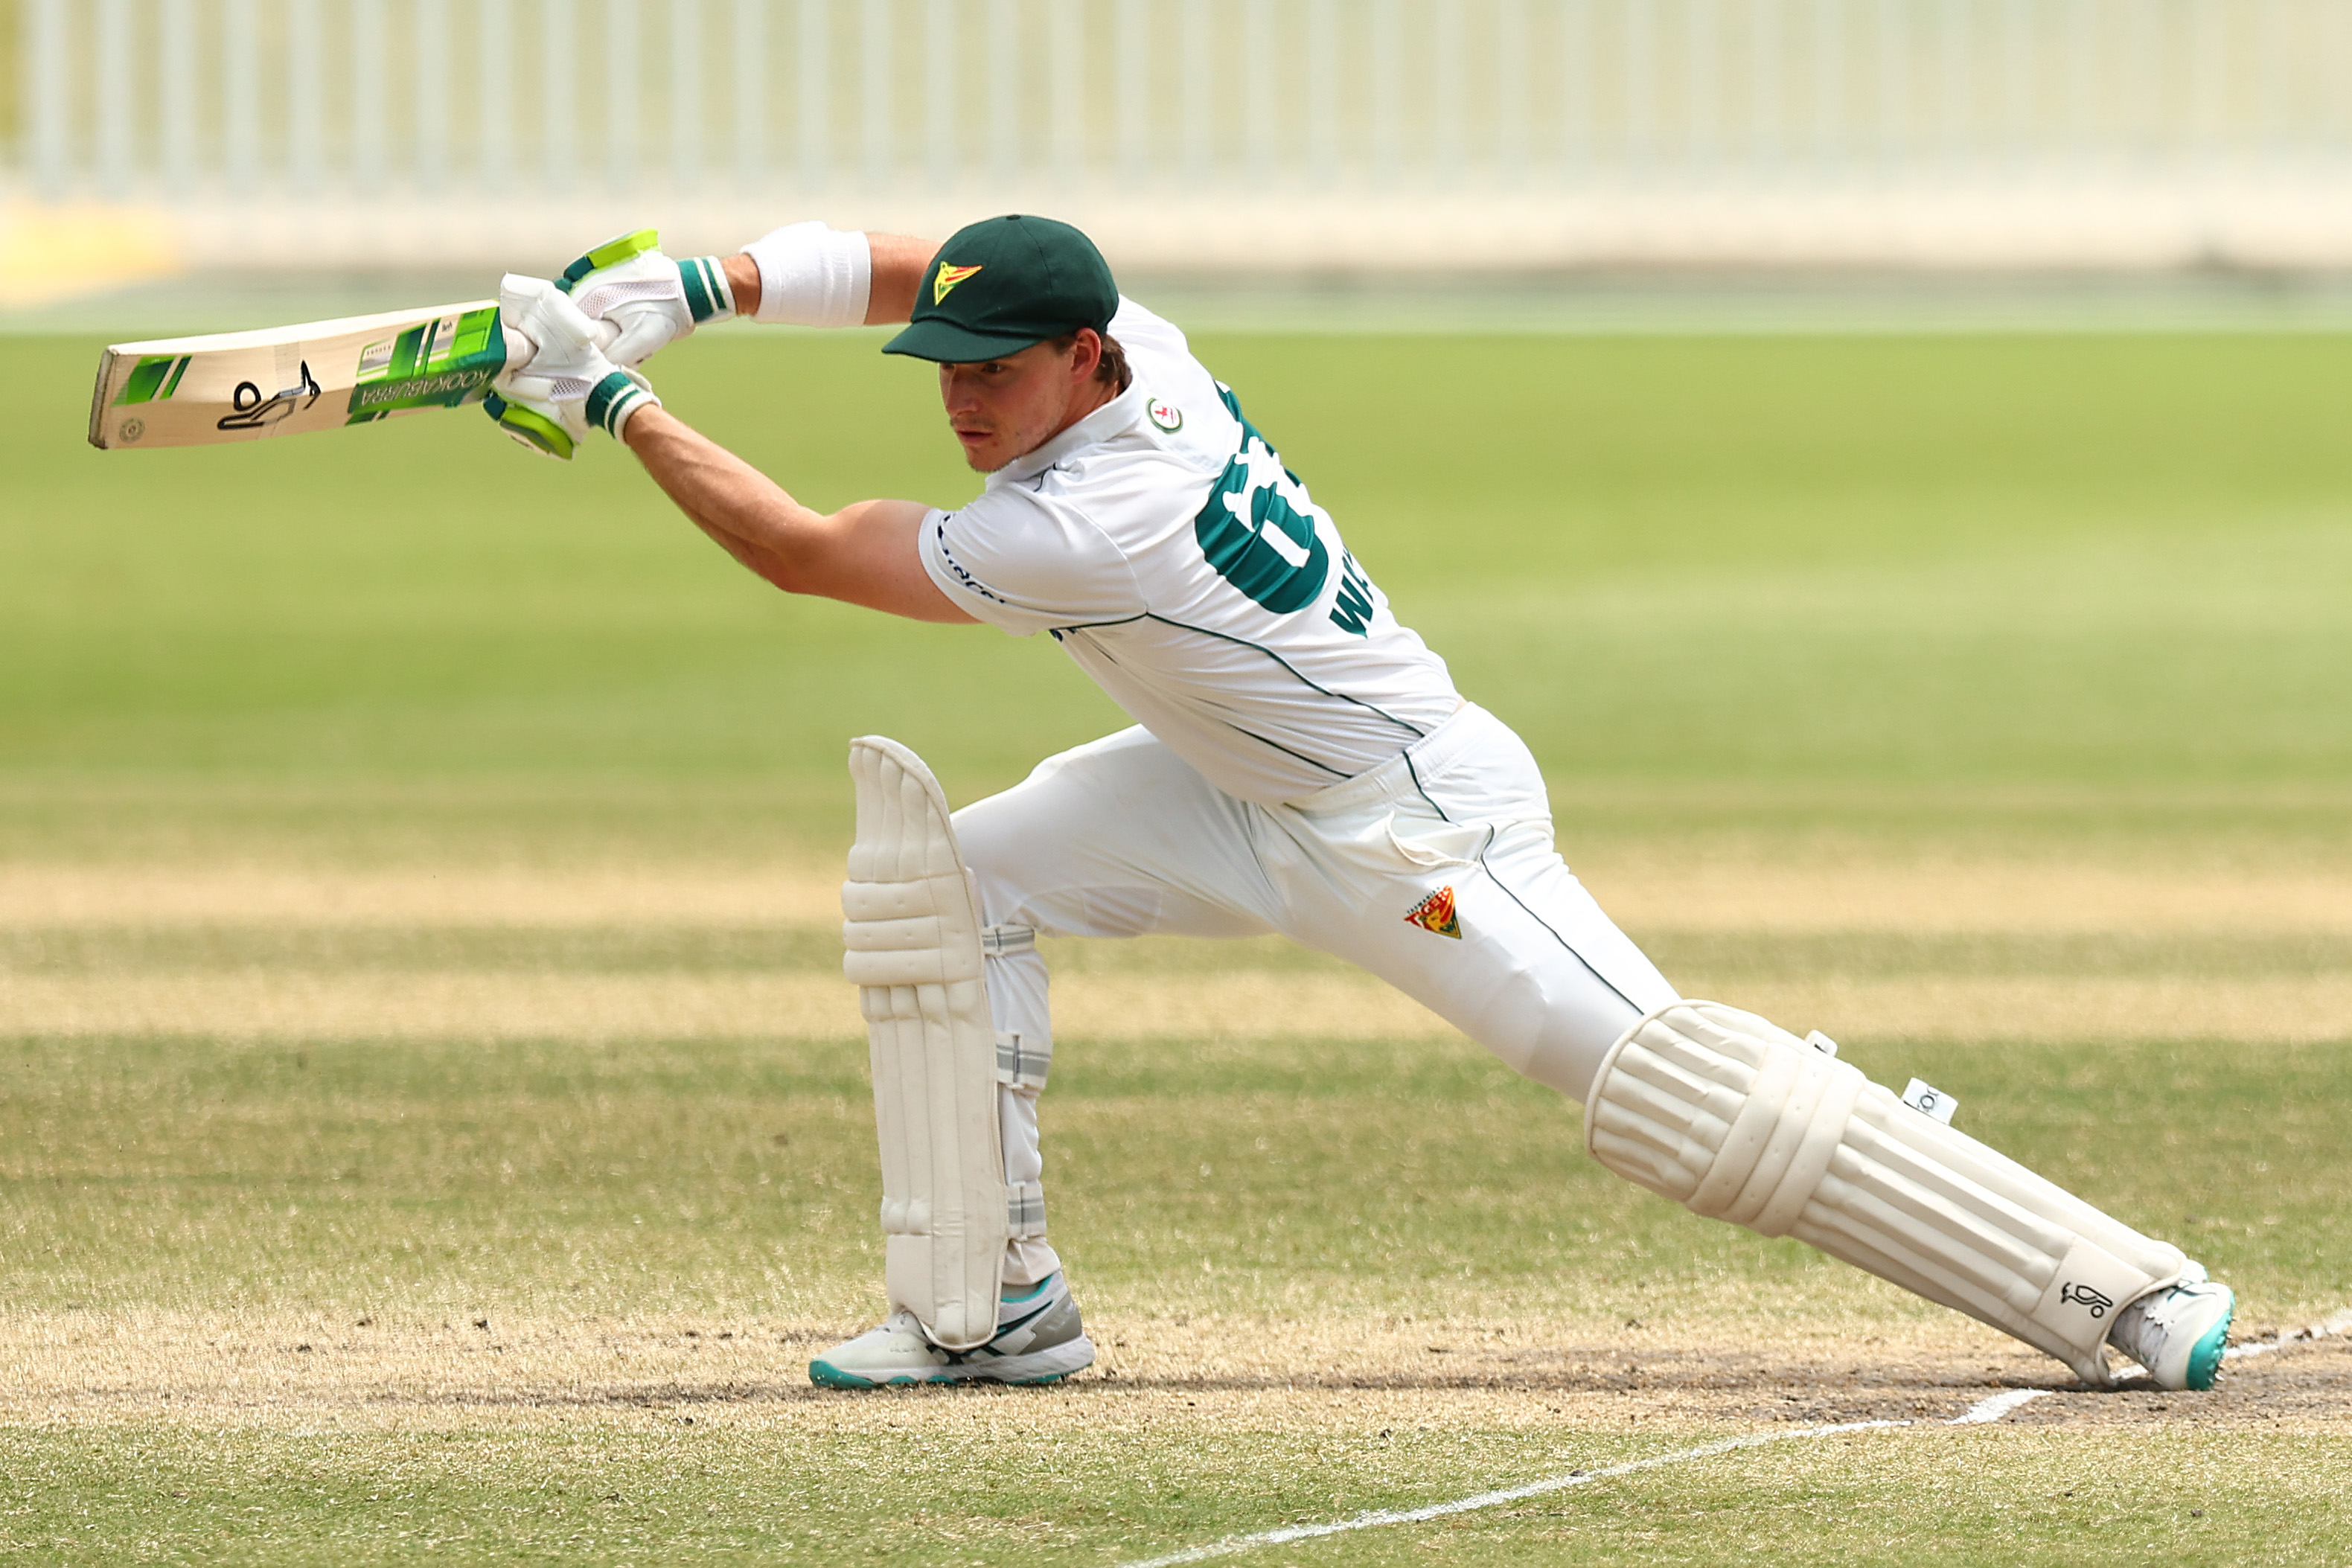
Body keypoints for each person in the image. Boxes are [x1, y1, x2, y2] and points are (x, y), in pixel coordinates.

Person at [487, 215, 2237, 1394]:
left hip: (1410, 827)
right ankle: (987, 1307)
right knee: (954, 888)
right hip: (1227, 786)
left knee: (1680, 1096)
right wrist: (703, 284)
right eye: (946, 369)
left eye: (990, 374)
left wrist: (615, 392)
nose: (961, 400)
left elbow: (801, 555)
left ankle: (2120, 1290)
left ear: (1081, 364)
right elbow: (913, 254)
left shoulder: (1085, 521)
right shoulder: (1134, 344)